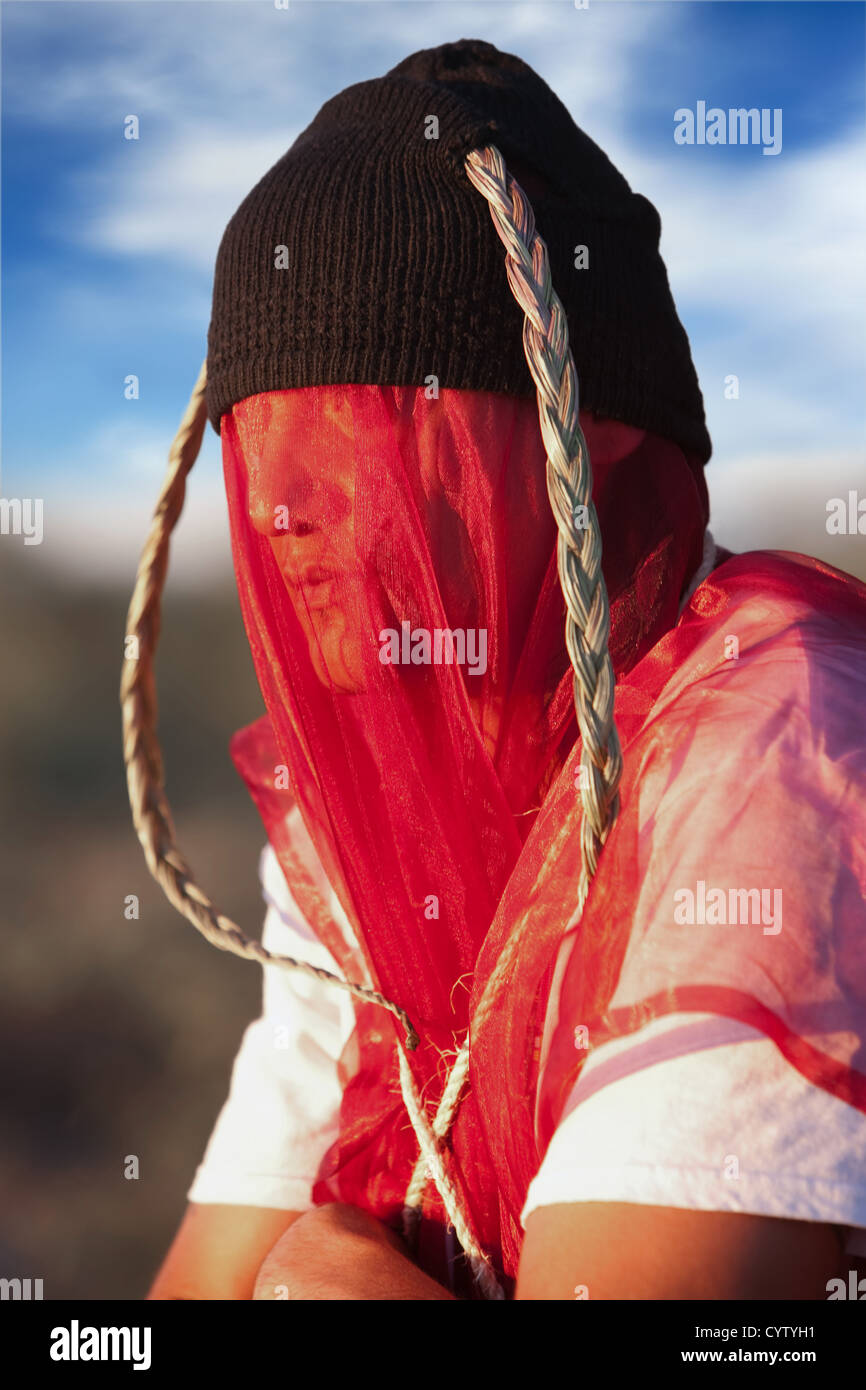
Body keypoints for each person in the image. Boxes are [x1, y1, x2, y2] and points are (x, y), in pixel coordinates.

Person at [146, 39, 866, 1301]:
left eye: (357, 418)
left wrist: (335, 1279)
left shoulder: (771, 750)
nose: (281, 507)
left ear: (578, 440)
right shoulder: (354, 821)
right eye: (262, 437)